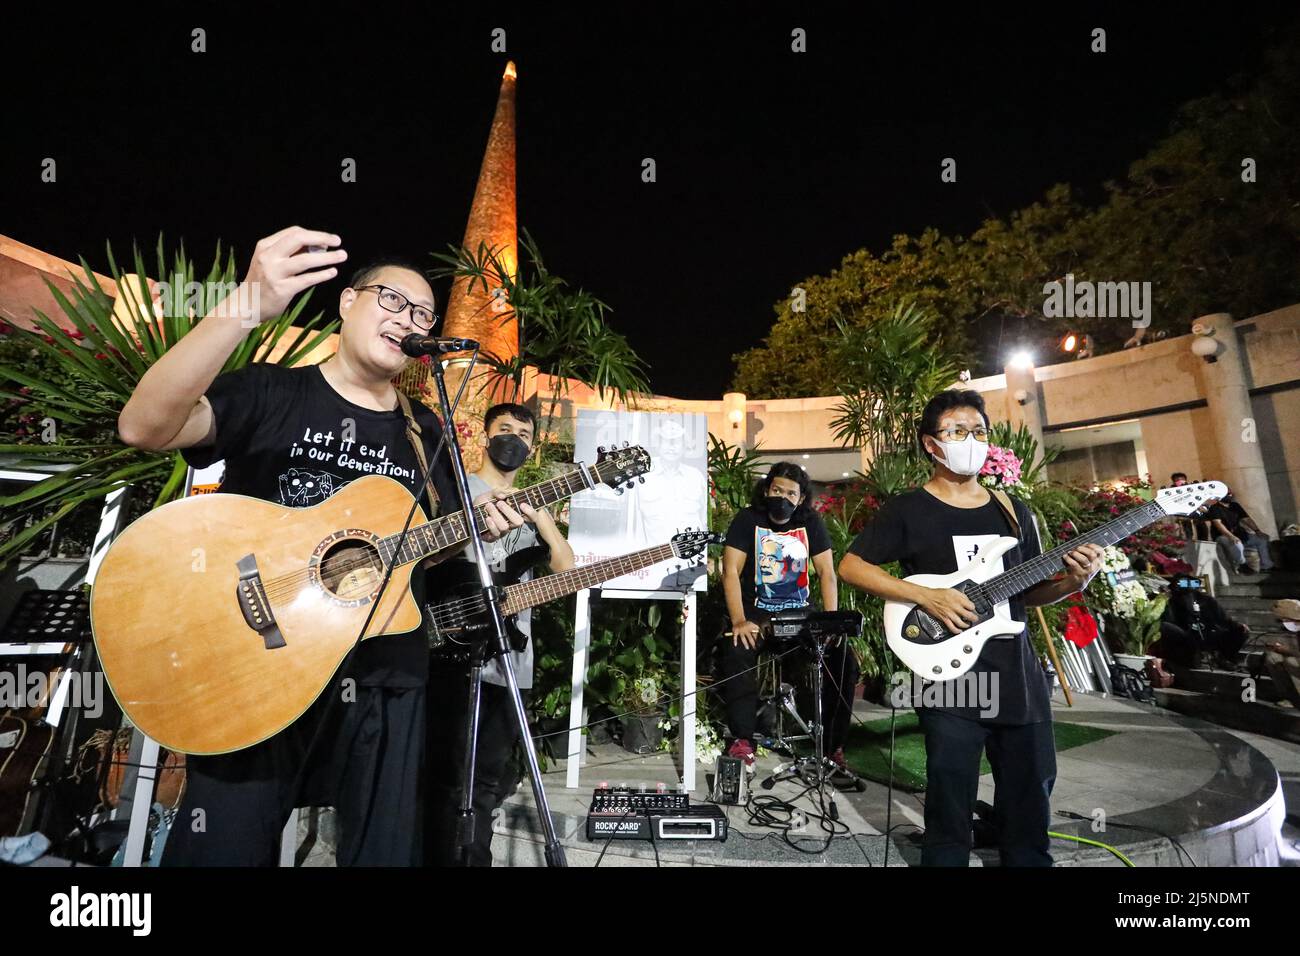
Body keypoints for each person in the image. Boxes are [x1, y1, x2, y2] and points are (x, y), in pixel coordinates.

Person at [118, 226, 525, 865]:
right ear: (346, 303)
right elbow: (143, 426)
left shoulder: (426, 432)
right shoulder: (271, 392)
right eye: (392, 300)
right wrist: (249, 302)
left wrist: (475, 527)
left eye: (423, 313)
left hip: (385, 678)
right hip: (255, 662)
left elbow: (427, 551)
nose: (410, 319)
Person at [837, 389, 1104, 866]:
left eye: (979, 431)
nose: (971, 440)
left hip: (1017, 673)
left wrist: (1073, 581)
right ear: (931, 444)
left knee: (1030, 793)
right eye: (958, 431)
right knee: (949, 793)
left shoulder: (1013, 510)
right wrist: (926, 595)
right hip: (950, 675)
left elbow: (1030, 591)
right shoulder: (908, 509)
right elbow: (852, 566)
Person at [424, 402, 574, 866]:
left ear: (532, 447)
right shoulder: (458, 490)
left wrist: (542, 519)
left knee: (488, 775)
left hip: (508, 658)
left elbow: (566, 570)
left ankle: (474, 859)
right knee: (442, 771)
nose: (513, 438)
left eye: (524, 433)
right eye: (504, 429)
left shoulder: (535, 505)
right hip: (449, 646)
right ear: (486, 436)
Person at [719, 462, 858, 780]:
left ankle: (833, 748)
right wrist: (739, 620)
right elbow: (730, 572)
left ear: (801, 497)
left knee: (843, 660)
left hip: (802, 616)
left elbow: (826, 573)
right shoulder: (747, 520)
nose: (782, 497)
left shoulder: (810, 522)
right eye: (776, 490)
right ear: (766, 490)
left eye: (790, 493)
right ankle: (742, 740)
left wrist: (831, 622)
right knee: (737, 650)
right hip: (757, 617)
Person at [1155, 574, 1249, 670]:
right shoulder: (1171, 602)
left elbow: (1224, 618)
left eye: (1188, 584)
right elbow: (1169, 625)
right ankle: (1199, 657)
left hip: (1209, 635)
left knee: (1242, 632)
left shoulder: (1206, 600)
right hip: (1188, 640)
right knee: (1165, 627)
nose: (1186, 588)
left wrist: (1238, 626)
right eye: (1182, 584)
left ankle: (1223, 657)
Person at [1204, 489, 1273, 575]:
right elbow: (1218, 524)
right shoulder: (1214, 508)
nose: (1230, 495)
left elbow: (1246, 519)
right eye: (1227, 493)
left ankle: (1266, 566)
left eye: (1230, 493)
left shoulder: (1235, 506)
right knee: (1237, 543)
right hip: (1222, 536)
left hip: (1239, 534)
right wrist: (1231, 536)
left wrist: (1257, 531)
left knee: (1261, 540)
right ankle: (1242, 564)